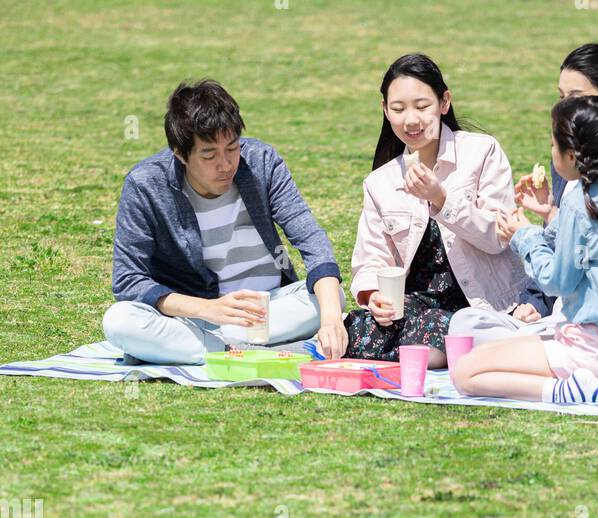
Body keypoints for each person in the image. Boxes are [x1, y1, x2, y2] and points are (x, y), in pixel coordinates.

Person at [450, 43, 598, 380]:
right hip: (585, 317)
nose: (565, 107)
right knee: (465, 323)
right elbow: (588, 243)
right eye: (561, 96)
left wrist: (526, 236)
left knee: (469, 363)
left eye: (575, 97)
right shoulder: (589, 169)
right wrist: (549, 215)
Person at [102, 80, 347, 364]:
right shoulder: (146, 184)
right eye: (209, 154)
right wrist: (209, 309)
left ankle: (212, 351)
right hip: (192, 317)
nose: (226, 164)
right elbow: (128, 279)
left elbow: (310, 238)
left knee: (331, 295)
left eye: (232, 148)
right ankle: (232, 351)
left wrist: (331, 320)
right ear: (180, 154)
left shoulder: (262, 162)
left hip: (266, 311)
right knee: (119, 321)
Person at [345, 54, 530, 366]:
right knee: (352, 331)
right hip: (417, 307)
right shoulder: (380, 182)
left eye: (422, 106)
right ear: (385, 111)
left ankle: (460, 344)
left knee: (444, 330)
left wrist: (442, 201)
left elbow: (499, 237)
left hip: (478, 303)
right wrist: (373, 295)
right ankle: (453, 349)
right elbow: (371, 258)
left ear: (444, 102)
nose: (411, 120)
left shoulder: (482, 151)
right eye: (398, 109)